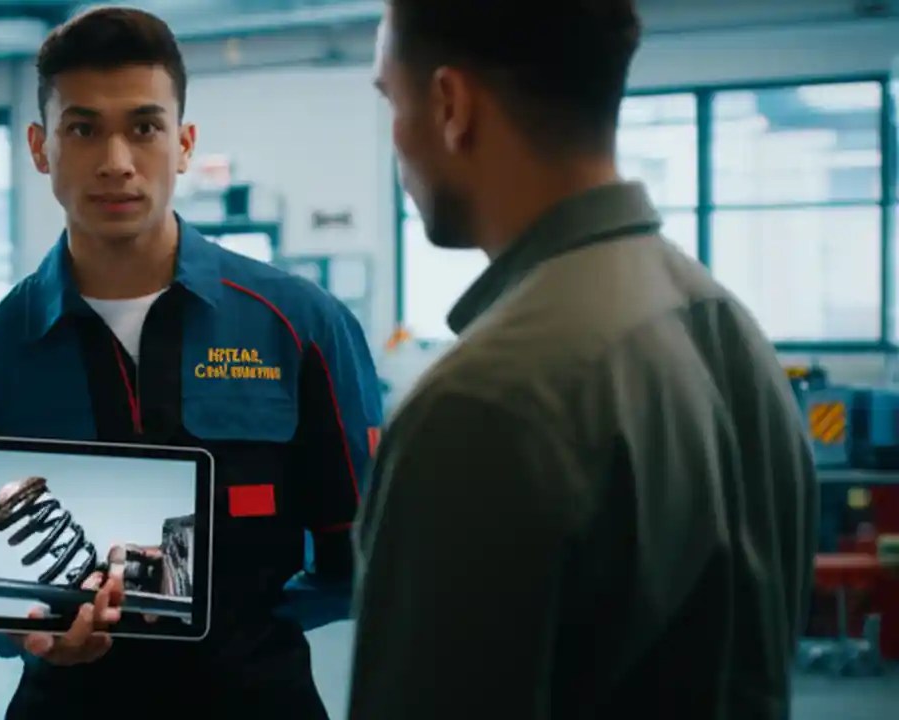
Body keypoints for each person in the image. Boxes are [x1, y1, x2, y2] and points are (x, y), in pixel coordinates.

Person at [350, 1, 817, 719]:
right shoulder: (730, 333)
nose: (395, 139)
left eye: (391, 101)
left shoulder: (483, 402)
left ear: (450, 105)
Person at [0, 6, 383, 719]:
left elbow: (362, 556)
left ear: (182, 143)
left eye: (143, 127)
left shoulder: (298, 326)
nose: (116, 160)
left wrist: (239, 626)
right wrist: (33, 630)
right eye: (82, 128)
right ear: (39, 147)